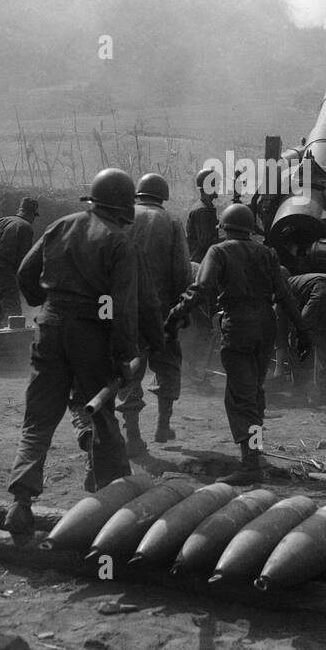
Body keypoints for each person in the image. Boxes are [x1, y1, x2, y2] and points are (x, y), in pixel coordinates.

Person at [6, 168, 155, 535]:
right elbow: (122, 308)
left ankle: (21, 503)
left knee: (39, 418)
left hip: (50, 326)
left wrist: (46, 300)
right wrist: (124, 357)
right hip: (89, 334)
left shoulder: (60, 225)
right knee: (101, 417)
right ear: (124, 207)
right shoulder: (120, 242)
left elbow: (25, 273)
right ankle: (119, 499)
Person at [165, 204, 311, 485]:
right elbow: (284, 294)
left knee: (239, 395)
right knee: (255, 390)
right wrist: (303, 330)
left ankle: (250, 463)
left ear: (224, 227)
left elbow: (203, 287)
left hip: (239, 326)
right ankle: (255, 452)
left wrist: (177, 313)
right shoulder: (267, 253)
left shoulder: (218, 251)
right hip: (265, 326)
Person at [118, 173, 192, 455]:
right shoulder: (171, 221)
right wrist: (181, 309)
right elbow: (182, 269)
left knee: (129, 368)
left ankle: (133, 436)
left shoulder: (123, 217)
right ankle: (163, 426)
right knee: (168, 364)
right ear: (163, 195)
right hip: (162, 309)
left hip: (126, 308)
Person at [281, 271, 326, 406]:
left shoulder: (283, 286)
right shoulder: (299, 281)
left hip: (321, 290)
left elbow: (284, 322)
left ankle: (300, 393)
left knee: (296, 337)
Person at [0, 197, 39, 329]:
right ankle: (14, 347)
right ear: (32, 214)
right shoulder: (26, 228)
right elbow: (24, 259)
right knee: (14, 315)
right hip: (4, 273)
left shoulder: (2, 221)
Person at [185, 167, 219, 262]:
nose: (219, 187)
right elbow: (206, 243)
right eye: (216, 185)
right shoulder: (202, 210)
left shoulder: (205, 207)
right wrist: (229, 239)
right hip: (200, 262)